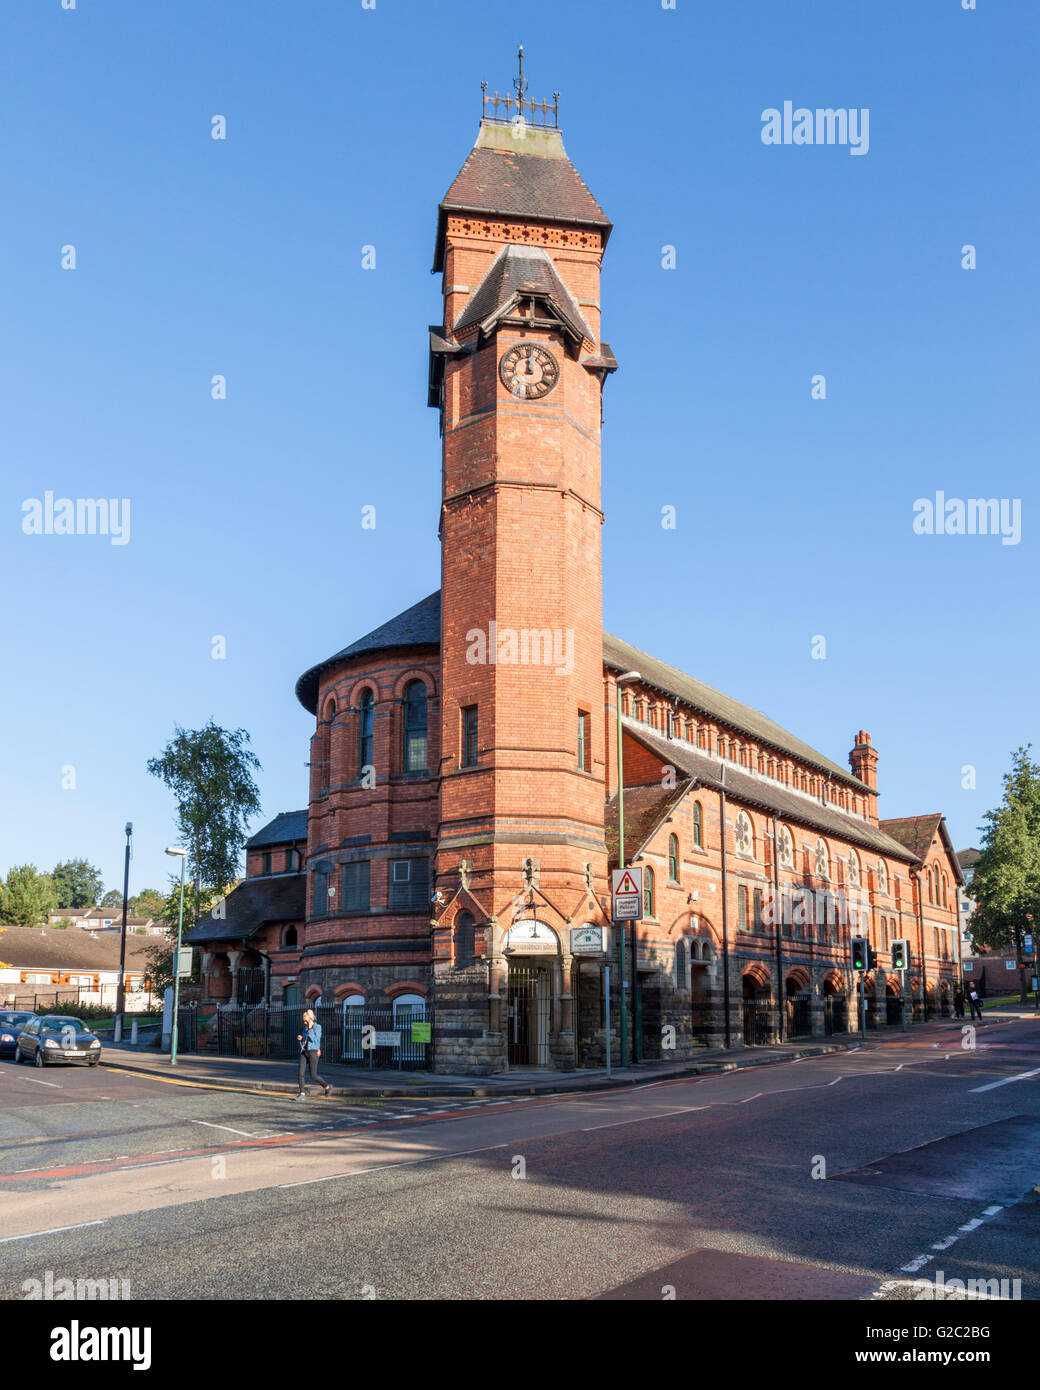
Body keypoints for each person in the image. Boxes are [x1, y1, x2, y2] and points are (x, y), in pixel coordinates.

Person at [296, 1009, 332, 1099]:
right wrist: (301, 1038)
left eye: (305, 1020)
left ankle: (327, 1087)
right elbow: (305, 1040)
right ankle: (302, 1093)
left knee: (313, 1075)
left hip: (313, 1053)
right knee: (300, 1073)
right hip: (304, 1052)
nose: (304, 1022)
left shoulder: (318, 1027)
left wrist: (310, 1029)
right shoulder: (305, 1028)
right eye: (303, 1020)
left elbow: (316, 1039)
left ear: (310, 1019)